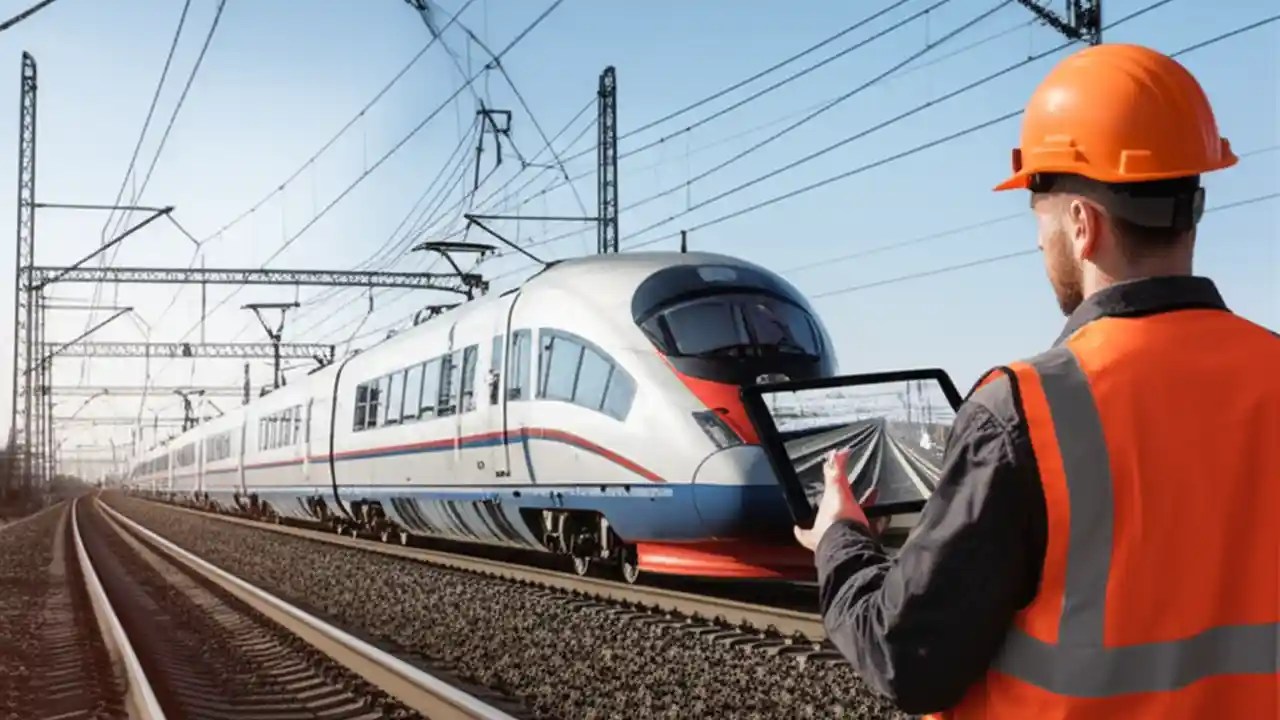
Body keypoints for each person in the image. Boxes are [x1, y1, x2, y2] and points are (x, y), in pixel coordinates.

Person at [793, 42, 1279, 719]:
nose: (1039, 243)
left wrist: (841, 538)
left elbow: (904, 658)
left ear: (1081, 225)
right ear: (1192, 203)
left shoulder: (1029, 411)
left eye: (1039, 220)